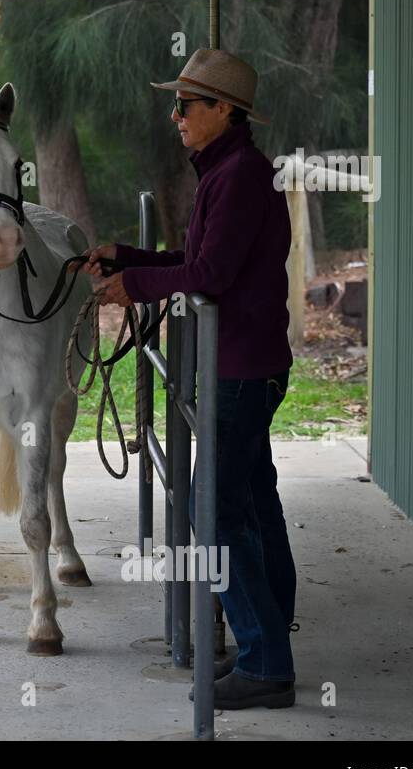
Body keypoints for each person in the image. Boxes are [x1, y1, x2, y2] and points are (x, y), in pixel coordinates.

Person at [85, 48, 298, 710]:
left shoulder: (237, 177)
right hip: (248, 367)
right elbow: (200, 260)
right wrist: (131, 258)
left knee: (214, 518)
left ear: (223, 111)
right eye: (175, 103)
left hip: (240, 371)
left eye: (187, 104)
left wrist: (133, 285)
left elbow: (208, 277)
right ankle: (269, 641)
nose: (174, 115)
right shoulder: (231, 171)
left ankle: (266, 662)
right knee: (253, 507)